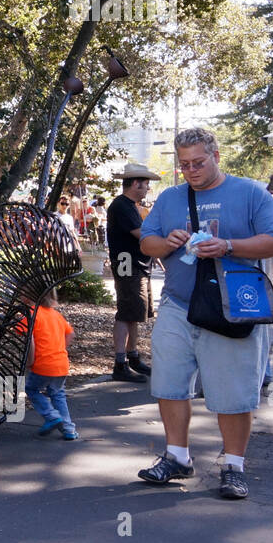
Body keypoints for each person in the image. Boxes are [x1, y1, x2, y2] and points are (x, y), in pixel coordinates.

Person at [136, 128, 273, 500]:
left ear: (216, 155)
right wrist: (165, 243)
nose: (191, 170)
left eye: (198, 163)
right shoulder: (171, 198)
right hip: (178, 304)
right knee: (169, 385)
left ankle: (234, 466)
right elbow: (146, 241)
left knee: (233, 392)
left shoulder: (250, 192)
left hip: (232, 309)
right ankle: (176, 457)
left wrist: (229, 246)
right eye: (184, 165)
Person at [107, 163, 160, 382]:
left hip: (137, 265)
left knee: (135, 314)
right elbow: (141, 234)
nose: (147, 188)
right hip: (128, 265)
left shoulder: (130, 205)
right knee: (126, 312)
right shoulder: (121, 206)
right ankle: (120, 362)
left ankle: (133, 356)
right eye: (146, 184)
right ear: (136, 183)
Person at [26, 289, 77, 440]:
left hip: (43, 364)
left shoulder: (31, 314)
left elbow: (30, 341)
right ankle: (69, 429)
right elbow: (70, 334)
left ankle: (51, 416)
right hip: (61, 363)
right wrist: (59, 348)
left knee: (31, 389)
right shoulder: (56, 314)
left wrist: (30, 361)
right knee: (58, 394)